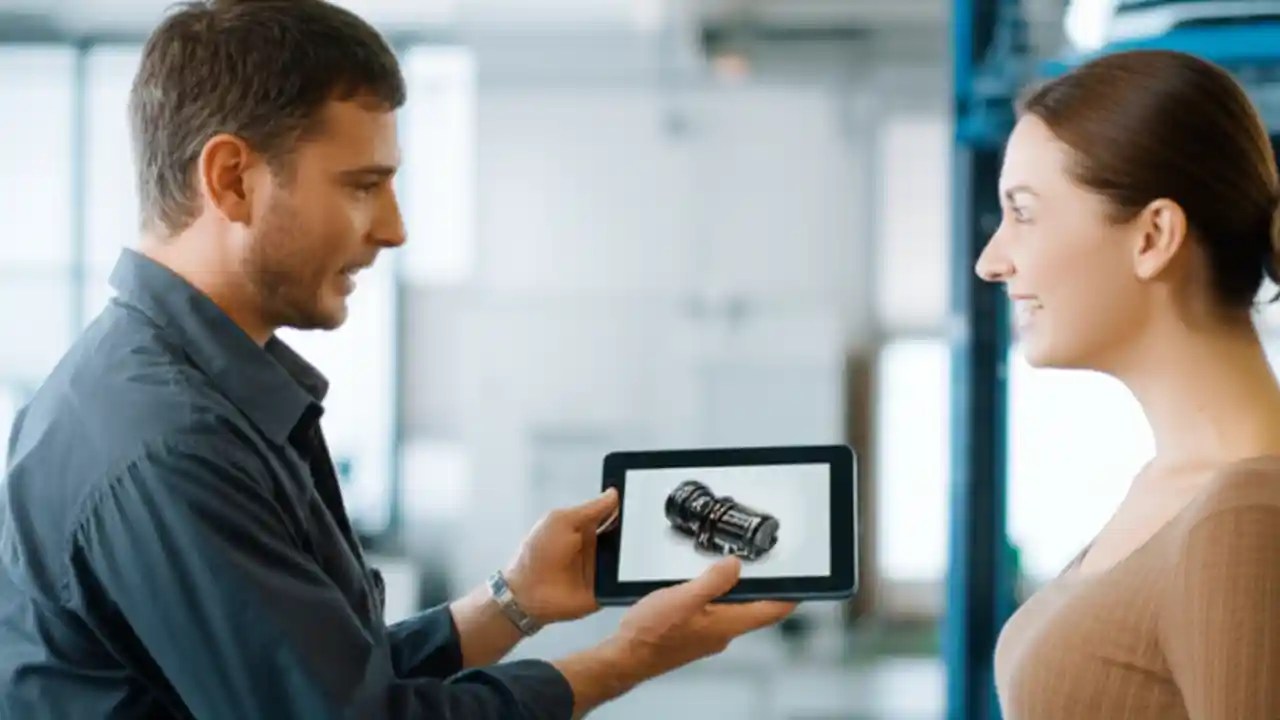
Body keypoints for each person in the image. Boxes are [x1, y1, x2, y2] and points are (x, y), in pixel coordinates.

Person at [0, 1, 796, 718]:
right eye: (362, 186)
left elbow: (330, 679)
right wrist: (626, 660)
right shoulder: (166, 442)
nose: (394, 228)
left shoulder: (181, 394)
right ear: (232, 180)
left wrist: (514, 601)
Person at [978, 48, 1280, 718]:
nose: (991, 260)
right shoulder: (1176, 487)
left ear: (1153, 237)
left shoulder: (1246, 515)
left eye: (1023, 212)